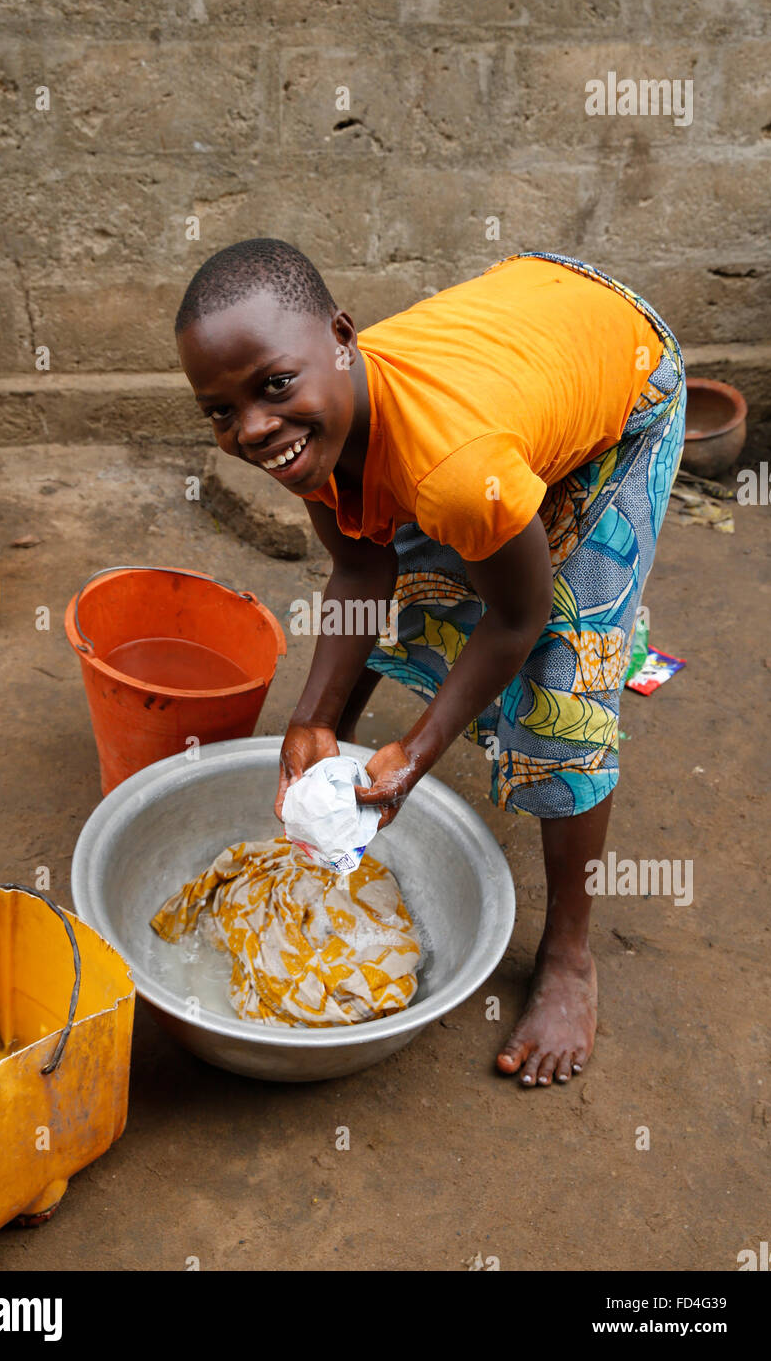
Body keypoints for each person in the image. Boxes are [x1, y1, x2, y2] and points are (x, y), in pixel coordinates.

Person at [175, 238, 686, 1088]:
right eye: (219, 412)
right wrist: (314, 723)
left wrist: (414, 755)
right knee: (427, 580)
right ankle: (345, 746)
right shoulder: (307, 426)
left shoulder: (452, 468)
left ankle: (567, 959)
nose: (253, 429)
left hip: (625, 363)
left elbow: (518, 616)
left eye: (271, 387)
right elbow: (362, 568)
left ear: (342, 336)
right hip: (532, 320)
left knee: (564, 682)